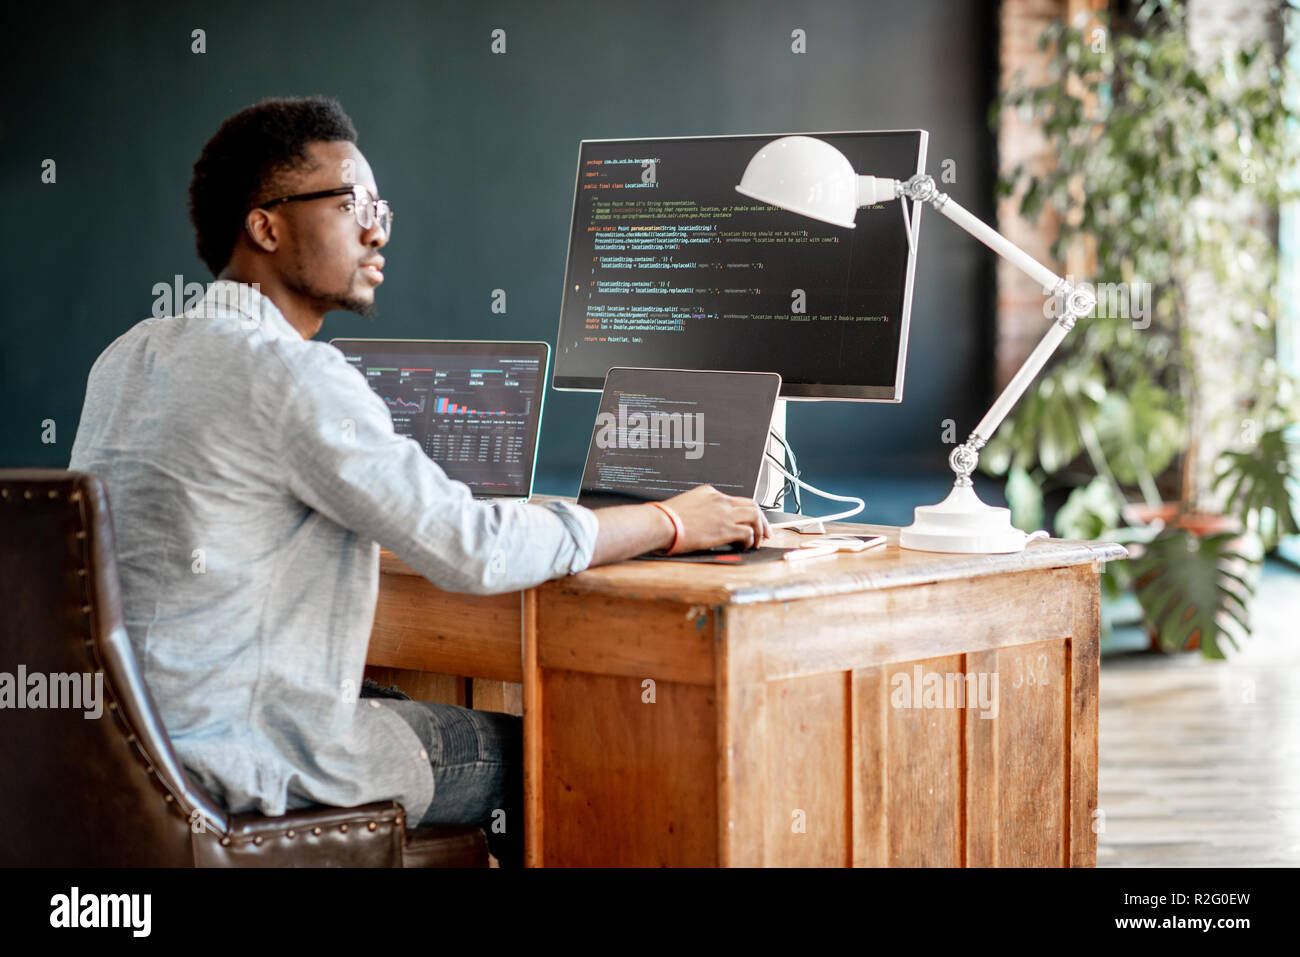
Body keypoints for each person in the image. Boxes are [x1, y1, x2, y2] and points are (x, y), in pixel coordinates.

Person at [68, 95, 767, 867]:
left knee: (396, 704)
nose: (377, 229)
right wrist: (671, 520)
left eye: (382, 207)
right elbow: (471, 549)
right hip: (244, 764)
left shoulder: (126, 355)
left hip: (123, 758)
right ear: (264, 226)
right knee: (556, 747)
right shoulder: (292, 375)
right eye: (353, 204)